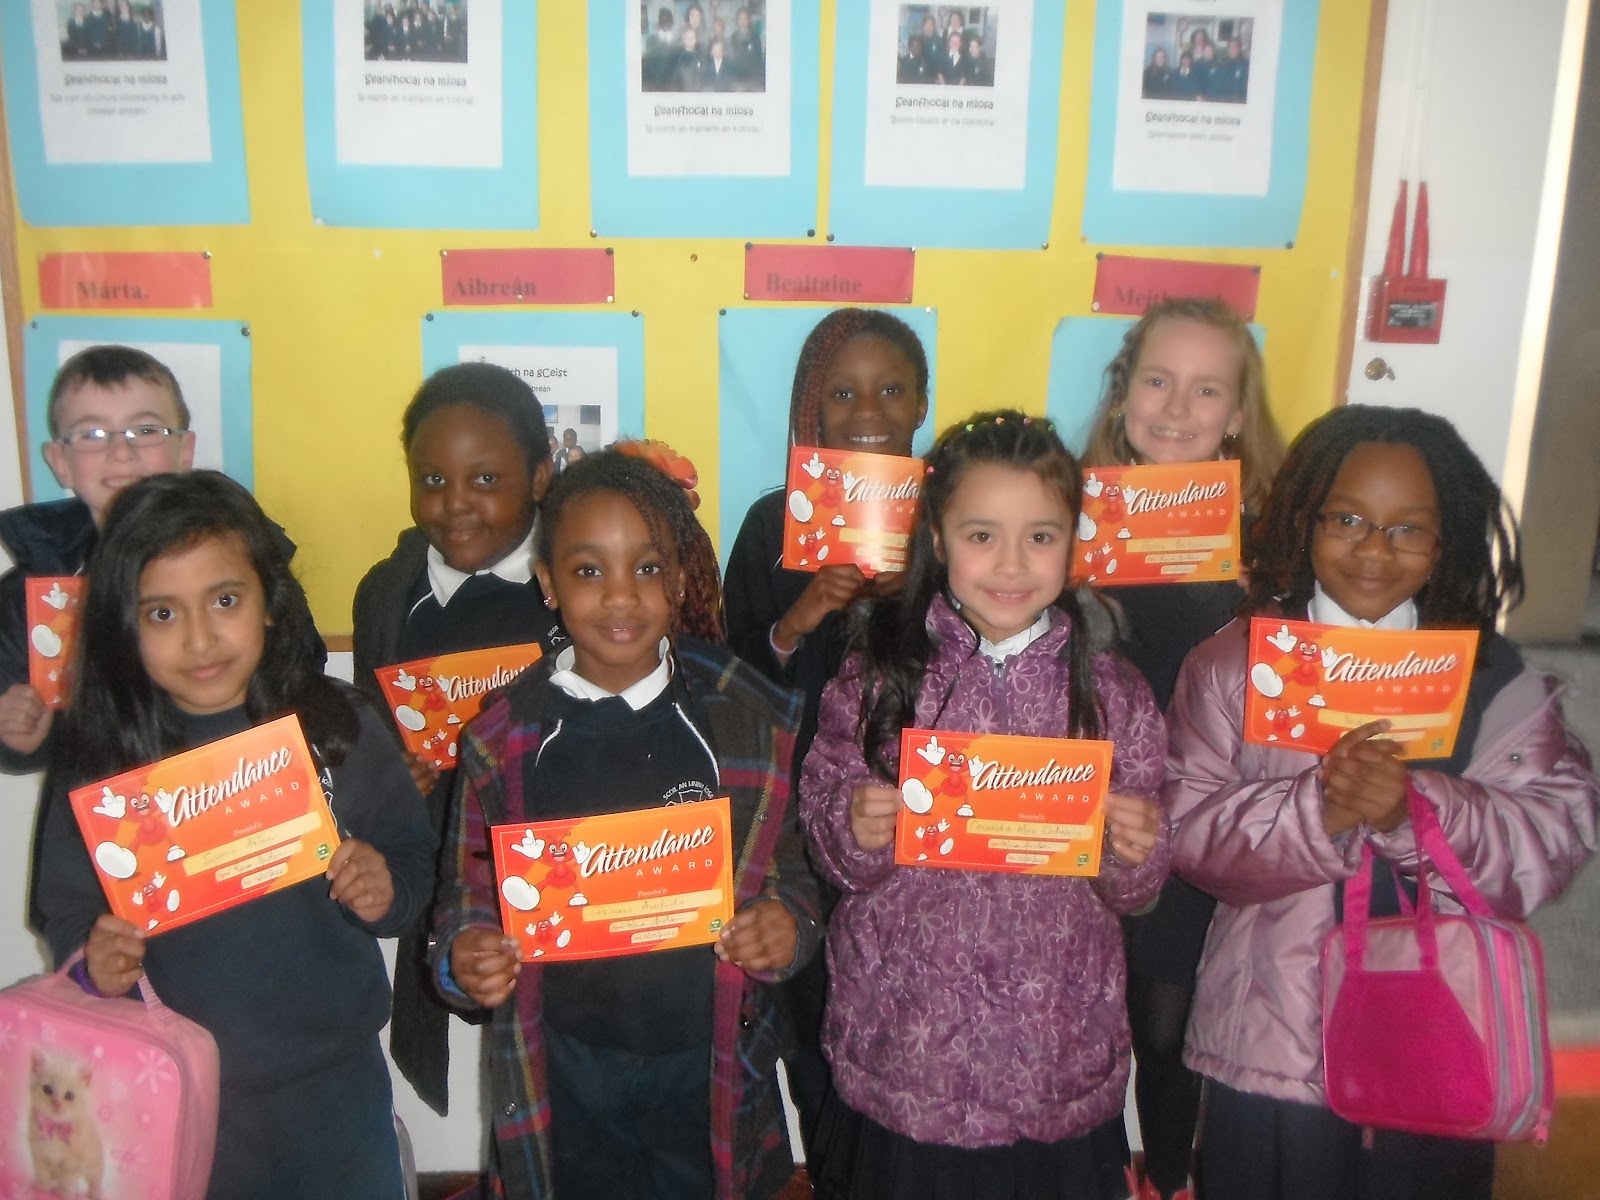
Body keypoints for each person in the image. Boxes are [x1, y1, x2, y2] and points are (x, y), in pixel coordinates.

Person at [1164, 405, 1599, 1200]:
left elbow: (1552, 839)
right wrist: (1314, 810)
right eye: (1349, 518)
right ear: (1306, 518)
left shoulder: (1488, 676)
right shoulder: (1238, 663)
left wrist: (1415, 809)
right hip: (1275, 1047)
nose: (1373, 548)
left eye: (1408, 529)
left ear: (1445, 542)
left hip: (1437, 1034)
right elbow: (1186, 834)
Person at [31, 470, 437, 1199]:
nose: (200, 639)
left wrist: (385, 891)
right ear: (124, 626)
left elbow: (415, 870)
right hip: (176, 1092)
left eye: (225, 601)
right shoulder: (103, 758)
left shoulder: (334, 730)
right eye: (161, 614)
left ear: (270, 603)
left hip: (336, 1085)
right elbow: (64, 912)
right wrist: (98, 964)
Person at [800, 409, 1171, 1200]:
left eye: (1041, 536)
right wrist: (855, 827)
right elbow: (828, 831)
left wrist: (1133, 848)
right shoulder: (882, 676)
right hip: (910, 1051)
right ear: (937, 537)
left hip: (1055, 1060)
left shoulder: (1112, 692)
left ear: (1074, 540)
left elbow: (1138, 890)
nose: (1012, 563)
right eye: (981, 536)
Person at [431, 451, 822, 1199]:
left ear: (677, 580)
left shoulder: (742, 724)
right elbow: (467, 892)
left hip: (706, 1060)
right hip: (564, 1062)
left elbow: (794, 876)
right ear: (547, 583)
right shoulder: (505, 741)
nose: (621, 598)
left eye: (646, 570)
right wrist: (464, 953)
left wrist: (787, 927)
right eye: (587, 572)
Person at [1081, 297, 1285, 1200]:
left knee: (1166, 1027)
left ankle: (1167, 1176)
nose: (1175, 408)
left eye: (1207, 391)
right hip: (1075, 812)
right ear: (1125, 391)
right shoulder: (1069, 512)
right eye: (1158, 381)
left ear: (1238, 414)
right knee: (1079, 1022)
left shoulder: (1271, 543)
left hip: (1194, 817)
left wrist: (1259, 605)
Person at [723, 306, 931, 1157]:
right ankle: (835, 1169)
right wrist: (799, 617)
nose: (869, 411)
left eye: (891, 389)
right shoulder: (773, 526)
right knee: (813, 1025)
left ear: (922, 403)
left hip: (920, 819)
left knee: (908, 1020)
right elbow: (731, 689)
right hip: (803, 831)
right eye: (843, 393)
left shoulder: (950, 523)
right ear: (815, 407)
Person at [352, 361, 562, 1118]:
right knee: (516, 1096)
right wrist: (393, 780)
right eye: (431, 480)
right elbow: (373, 736)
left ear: (540, 476)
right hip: (458, 888)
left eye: (485, 479)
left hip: (574, 880)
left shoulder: (574, 583)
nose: (455, 506)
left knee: (570, 1067)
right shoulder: (390, 595)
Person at [0, 346, 196, 775]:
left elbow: (296, 668)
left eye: (145, 430)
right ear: (59, 463)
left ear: (185, 450)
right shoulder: (33, 594)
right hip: (104, 818)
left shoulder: (242, 561)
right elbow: (23, 735)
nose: (121, 453)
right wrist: (19, 738)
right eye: (92, 435)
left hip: (229, 795)